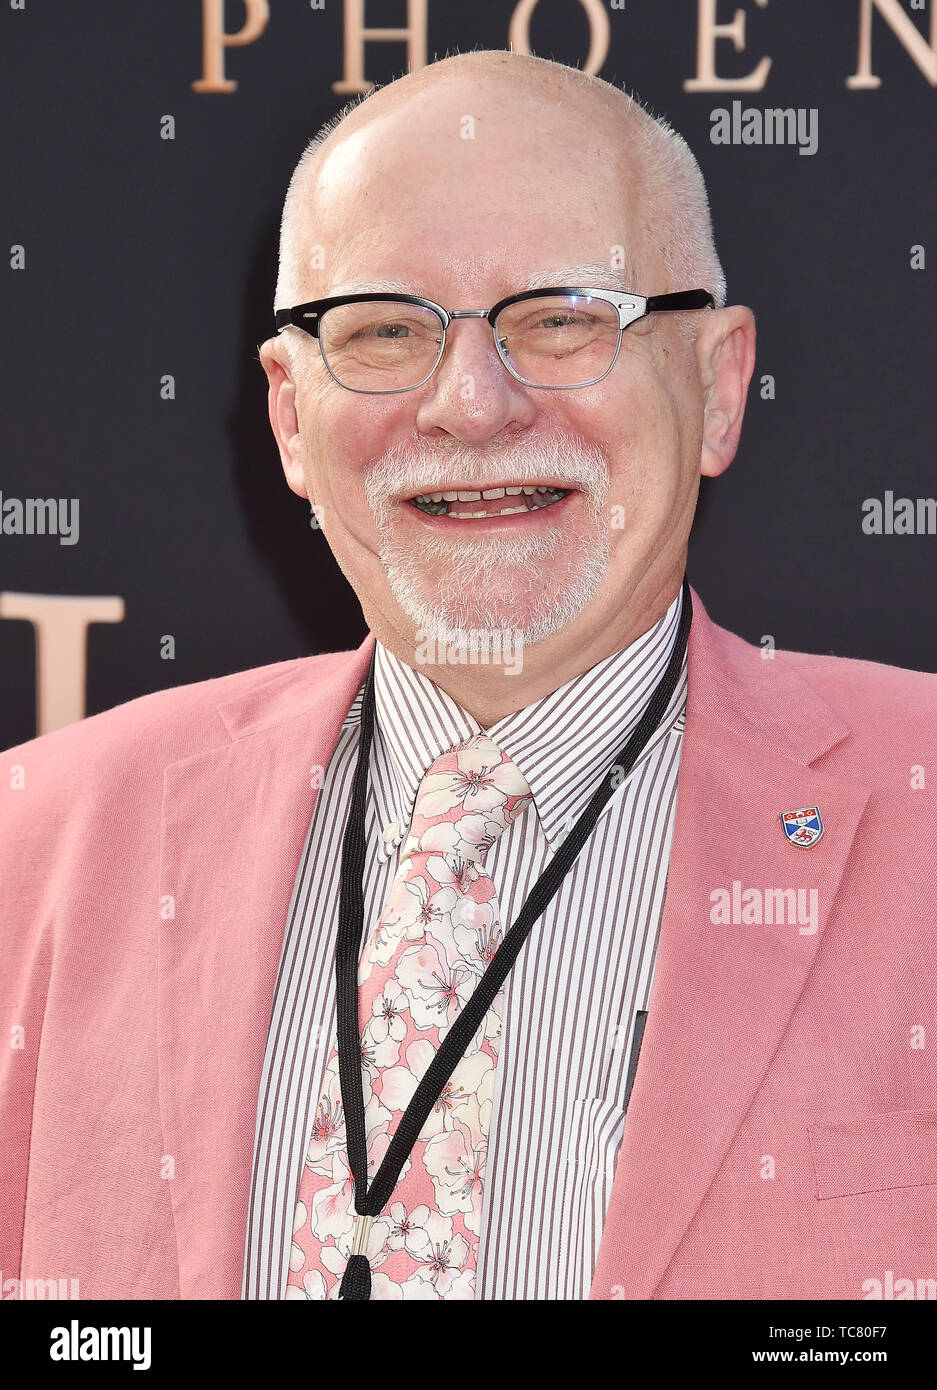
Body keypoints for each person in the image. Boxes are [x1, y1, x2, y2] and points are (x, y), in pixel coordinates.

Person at [1, 49, 935, 1304]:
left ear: (718, 387)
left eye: (560, 317)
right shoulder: (38, 843)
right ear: (287, 415)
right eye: (384, 331)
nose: (471, 403)